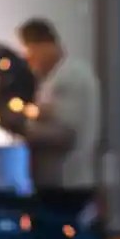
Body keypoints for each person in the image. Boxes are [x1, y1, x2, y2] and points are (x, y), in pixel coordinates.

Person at [12, 17, 102, 217]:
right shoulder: (50, 80)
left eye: (29, 50)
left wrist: (20, 128)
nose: (28, 59)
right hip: (52, 185)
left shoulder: (74, 75)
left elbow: (64, 135)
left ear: (45, 45)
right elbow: (47, 113)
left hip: (67, 187)